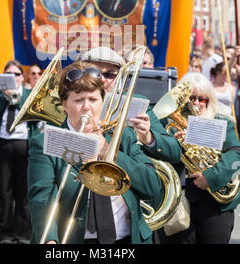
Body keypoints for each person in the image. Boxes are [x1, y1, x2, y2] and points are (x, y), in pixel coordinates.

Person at [27, 60, 165, 244]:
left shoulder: (121, 136)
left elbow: (152, 186)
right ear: (64, 105)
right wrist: (50, 240)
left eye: (93, 99)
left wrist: (107, 152)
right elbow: (42, 200)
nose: (87, 107)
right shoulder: (45, 142)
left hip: (127, 241)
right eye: (78, 100)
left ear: (103, 101)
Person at [158, 71, 240, 244]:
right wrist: (174, 144)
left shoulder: (222, 121)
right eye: (191, 98)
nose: (196, 104)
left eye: (202, 99)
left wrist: (209, 177)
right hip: (179, 202)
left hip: (214, 204)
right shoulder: (168, 124)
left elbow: (236, 154)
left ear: (209, 100)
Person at [0, 60, 39, 244]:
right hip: (3, 145)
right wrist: (4, 97)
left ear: (22, 77)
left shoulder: (29, 93)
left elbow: (35, 114)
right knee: (4, 194)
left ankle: (23, 235)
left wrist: (18, 98)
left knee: (23, 194)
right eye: (8, 75)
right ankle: (5, 235)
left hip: (25, 145)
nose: (13, 78)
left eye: (16, 74)